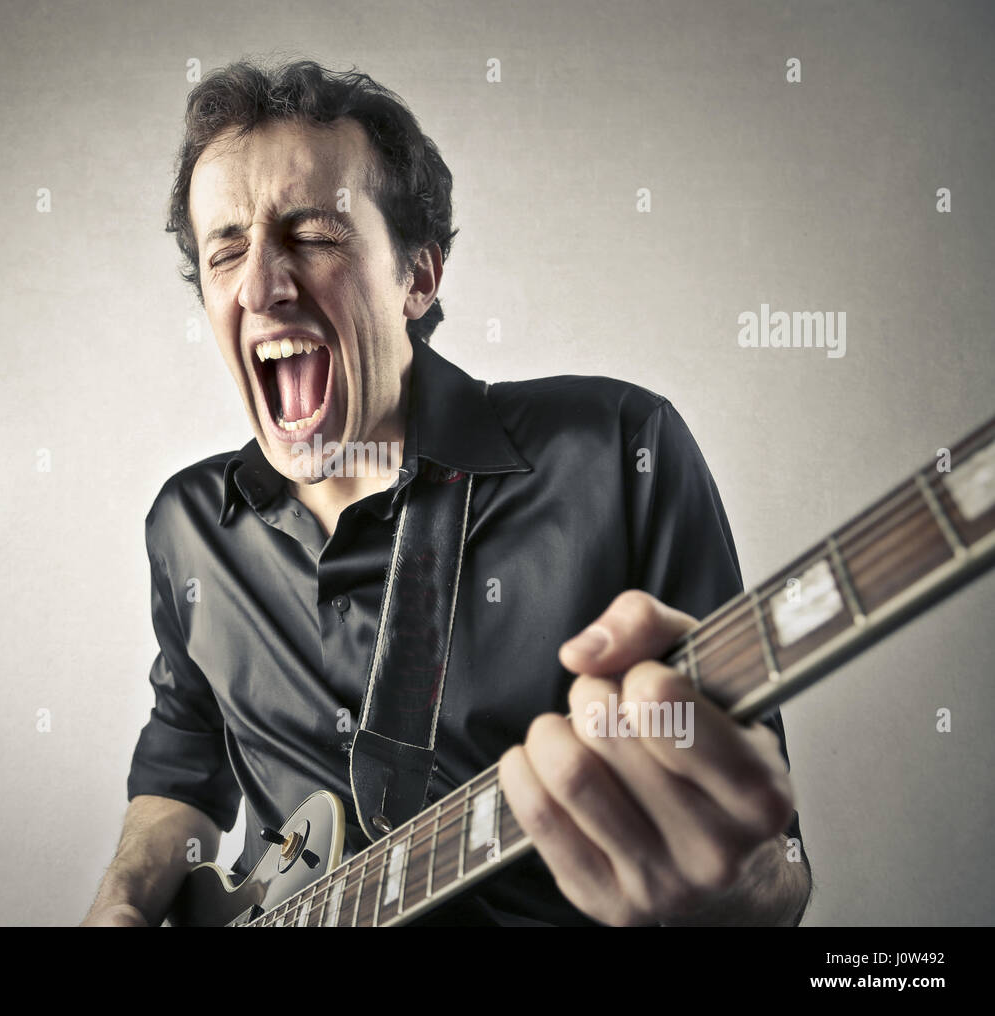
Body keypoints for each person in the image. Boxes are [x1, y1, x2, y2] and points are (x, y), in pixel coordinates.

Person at [83, 59, 812, 926]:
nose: (261, 285)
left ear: (417, 279)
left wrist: (731, 887)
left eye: (313, 234)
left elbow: (772, 872)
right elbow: (182, 757)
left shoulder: (616, 454)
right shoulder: (189, 524)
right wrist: (122, 899)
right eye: (227, 250)